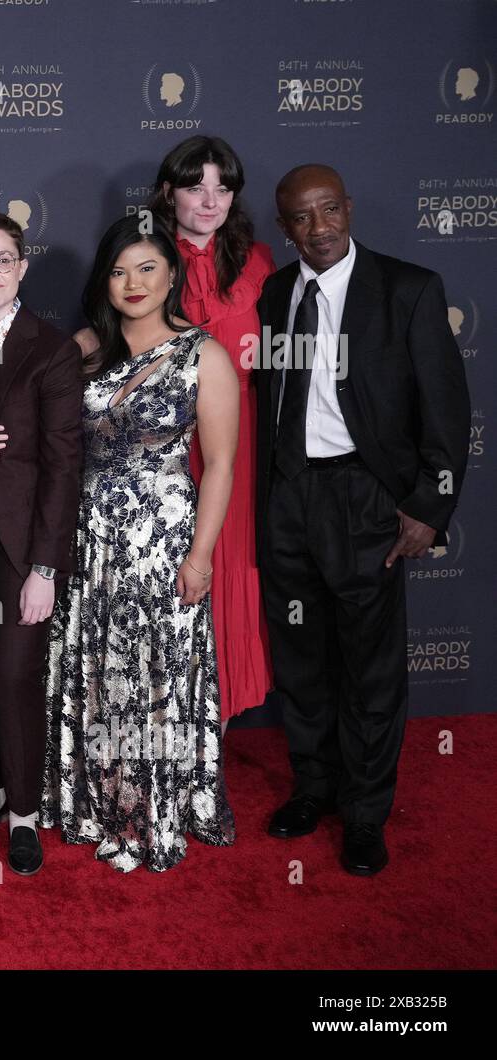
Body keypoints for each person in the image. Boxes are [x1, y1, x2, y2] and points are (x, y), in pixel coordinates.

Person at [257, 164, 470, 876]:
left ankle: (366, 812)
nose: (318, 230)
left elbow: (446, 410)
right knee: (303, 661)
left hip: (366, 501)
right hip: (290, 501)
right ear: (284, 228)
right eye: (301, 218)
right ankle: (314, 788)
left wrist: (427, 508)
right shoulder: (279, 292)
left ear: (347, 209)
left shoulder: (408, 289)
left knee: (371, 671)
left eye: (328, 212)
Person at [40, 214, 238, 873]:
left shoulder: (204, 355)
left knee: (156, 675)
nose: (133, 282)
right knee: (98, 668)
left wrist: (201, 555)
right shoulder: (84, 349)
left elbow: (223, 465)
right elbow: (49, 443)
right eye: (120, 270)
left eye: (147, 268)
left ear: (173, 275)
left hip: (164, 541)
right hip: (90, 537)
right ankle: (99, 802)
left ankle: (149, 809)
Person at [0, 211, 82, 876]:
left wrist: (44, 567)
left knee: (13, 672)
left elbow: (64, 465)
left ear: (23, 267)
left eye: (3, 259)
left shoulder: (51, 349)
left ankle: (25, 812)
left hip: (19, 544)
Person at [150, 136, 275, 727]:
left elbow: (279, 357)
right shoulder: (145, 255)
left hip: (239, 443)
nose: (210, 201)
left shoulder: (259, 262)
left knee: (225, 567)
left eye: (222, 187)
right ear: (168, 192)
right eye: (196, 186)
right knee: (170, 569)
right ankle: (163, 727)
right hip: (167, 442)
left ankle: (213, 733)